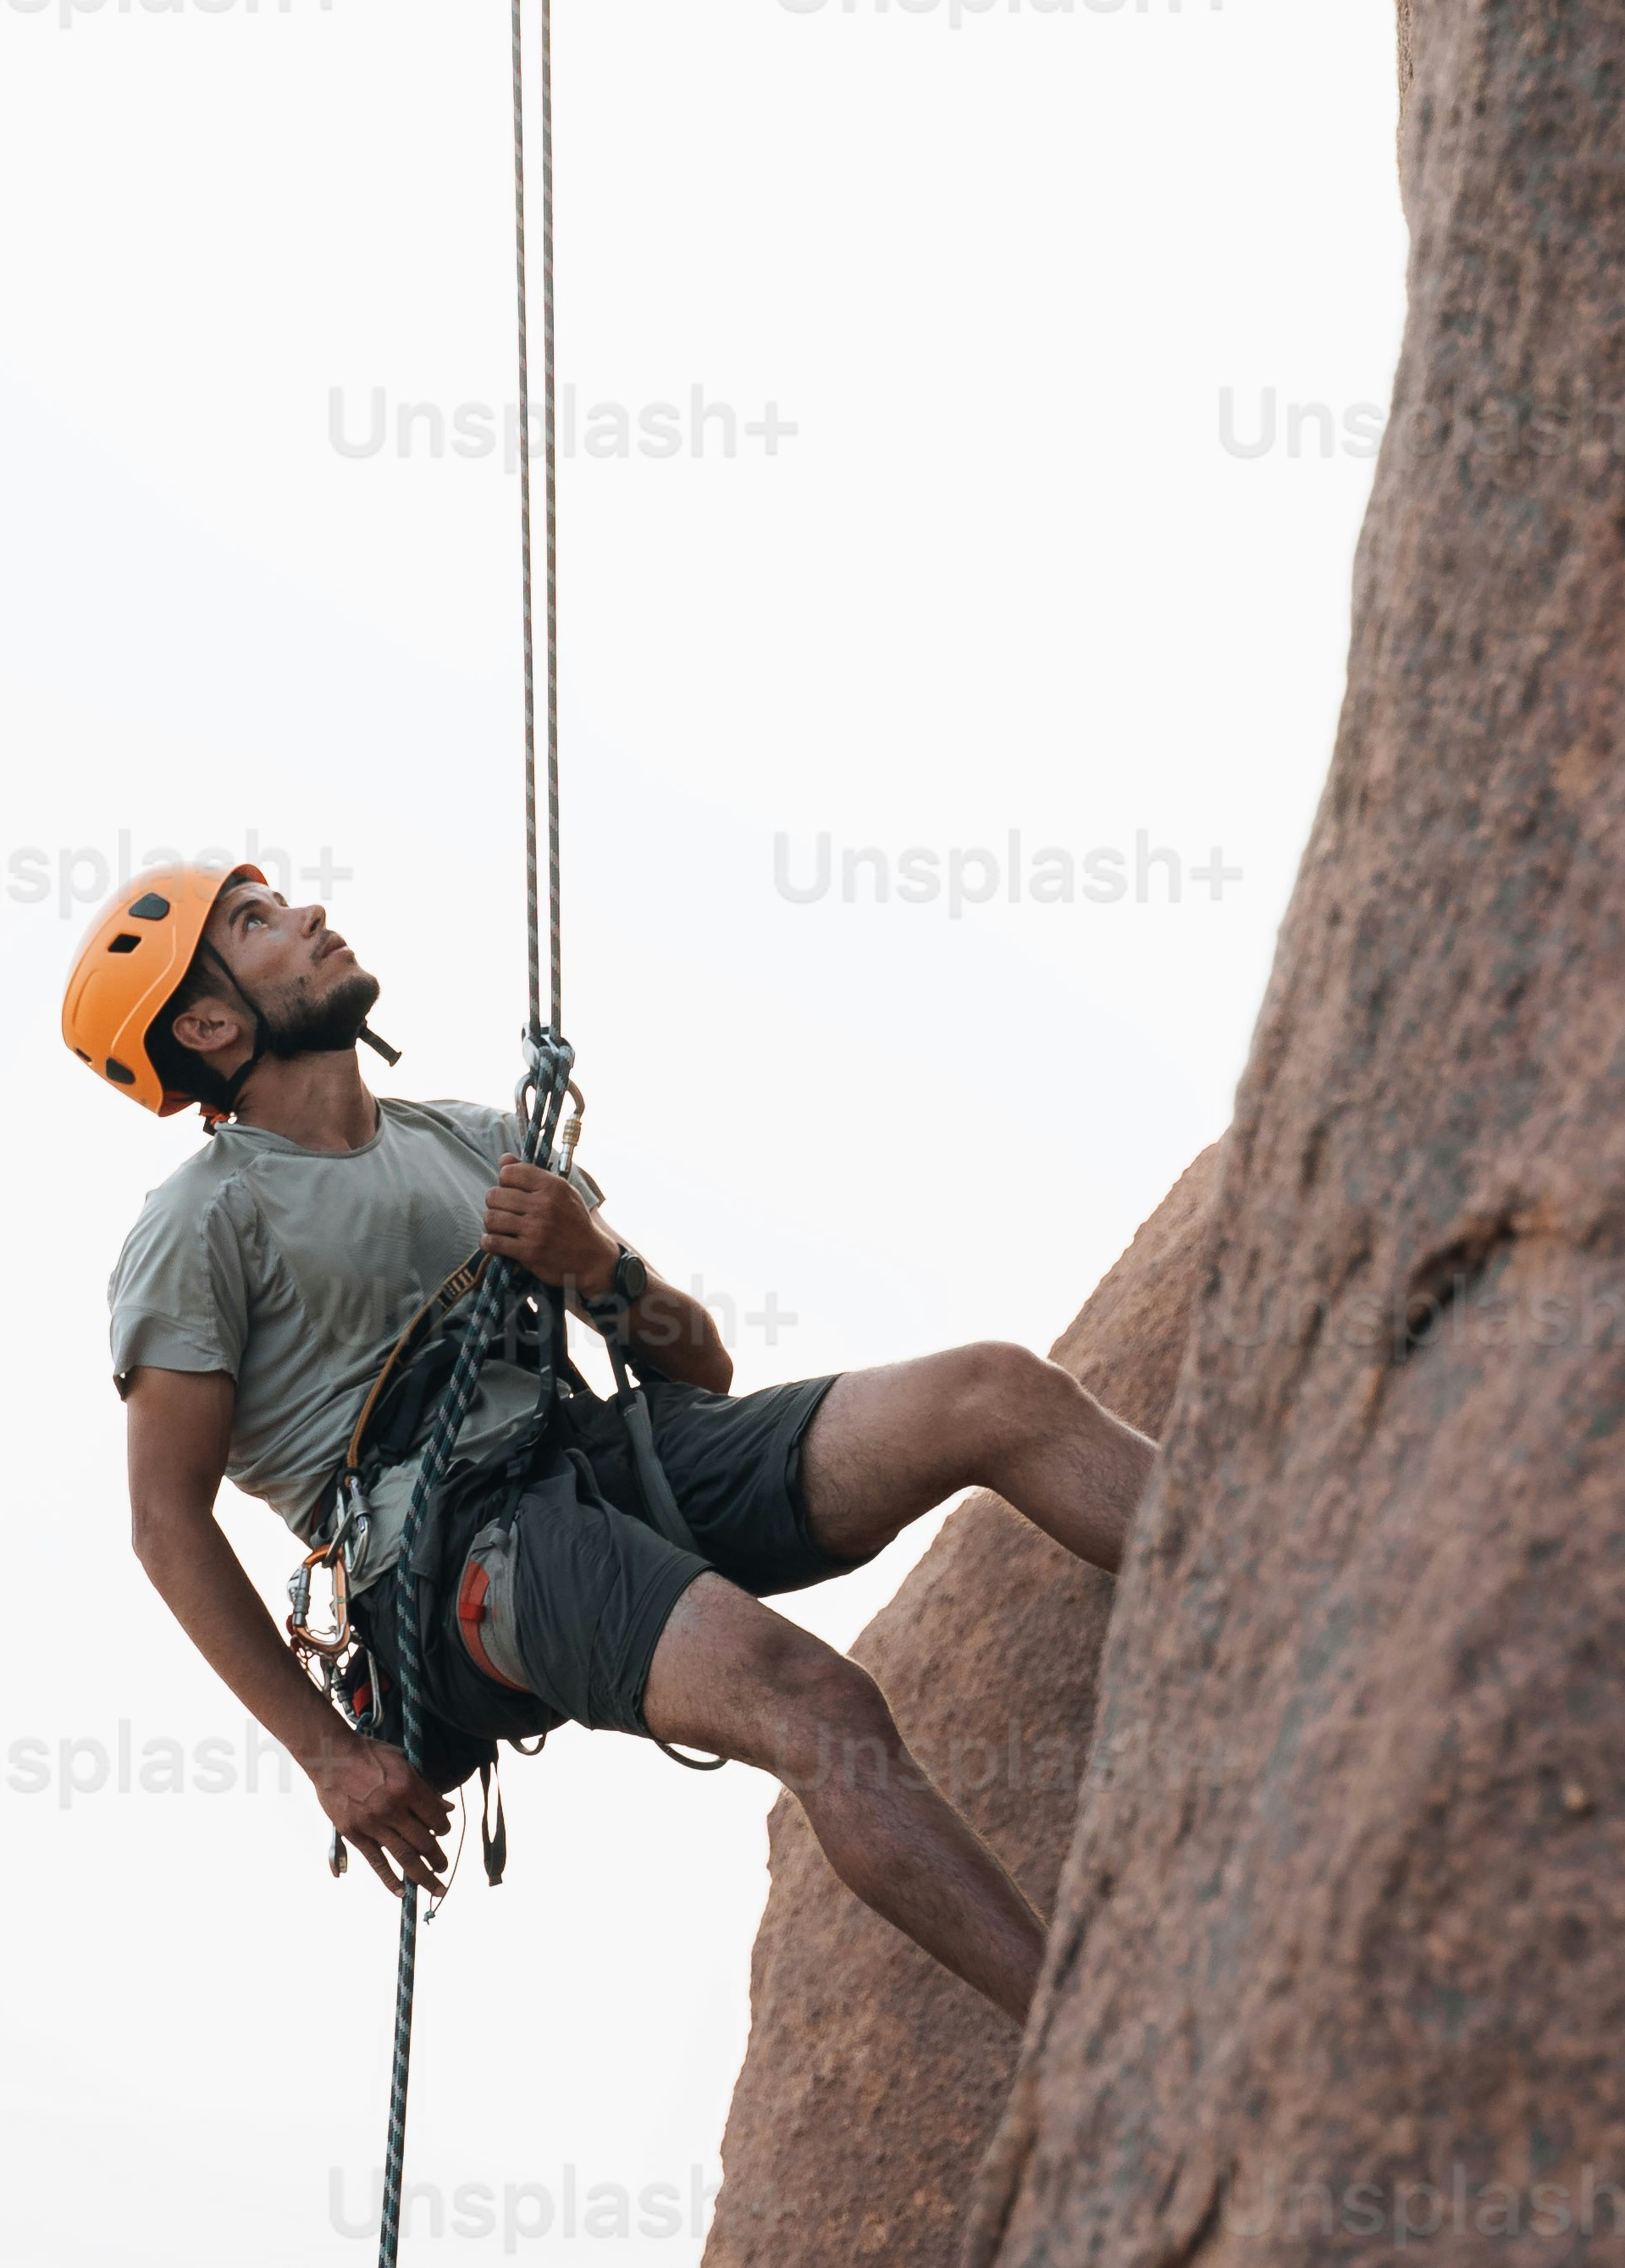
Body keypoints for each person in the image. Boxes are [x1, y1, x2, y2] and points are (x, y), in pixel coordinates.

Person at [66, 856, 1156, 2021]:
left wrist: (596, 1263)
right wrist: (329, 1756)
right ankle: (1086, 2052)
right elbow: (163, 1520)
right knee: (817, 1704)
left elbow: (701, 1366)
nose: (309, 915)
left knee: (992, 1391)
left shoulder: (476, 1140)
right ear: (213, 1019)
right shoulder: (202, 1222)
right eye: (256, 922)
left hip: (604, 1454)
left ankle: (1287, 1567)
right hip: (457, 1565)